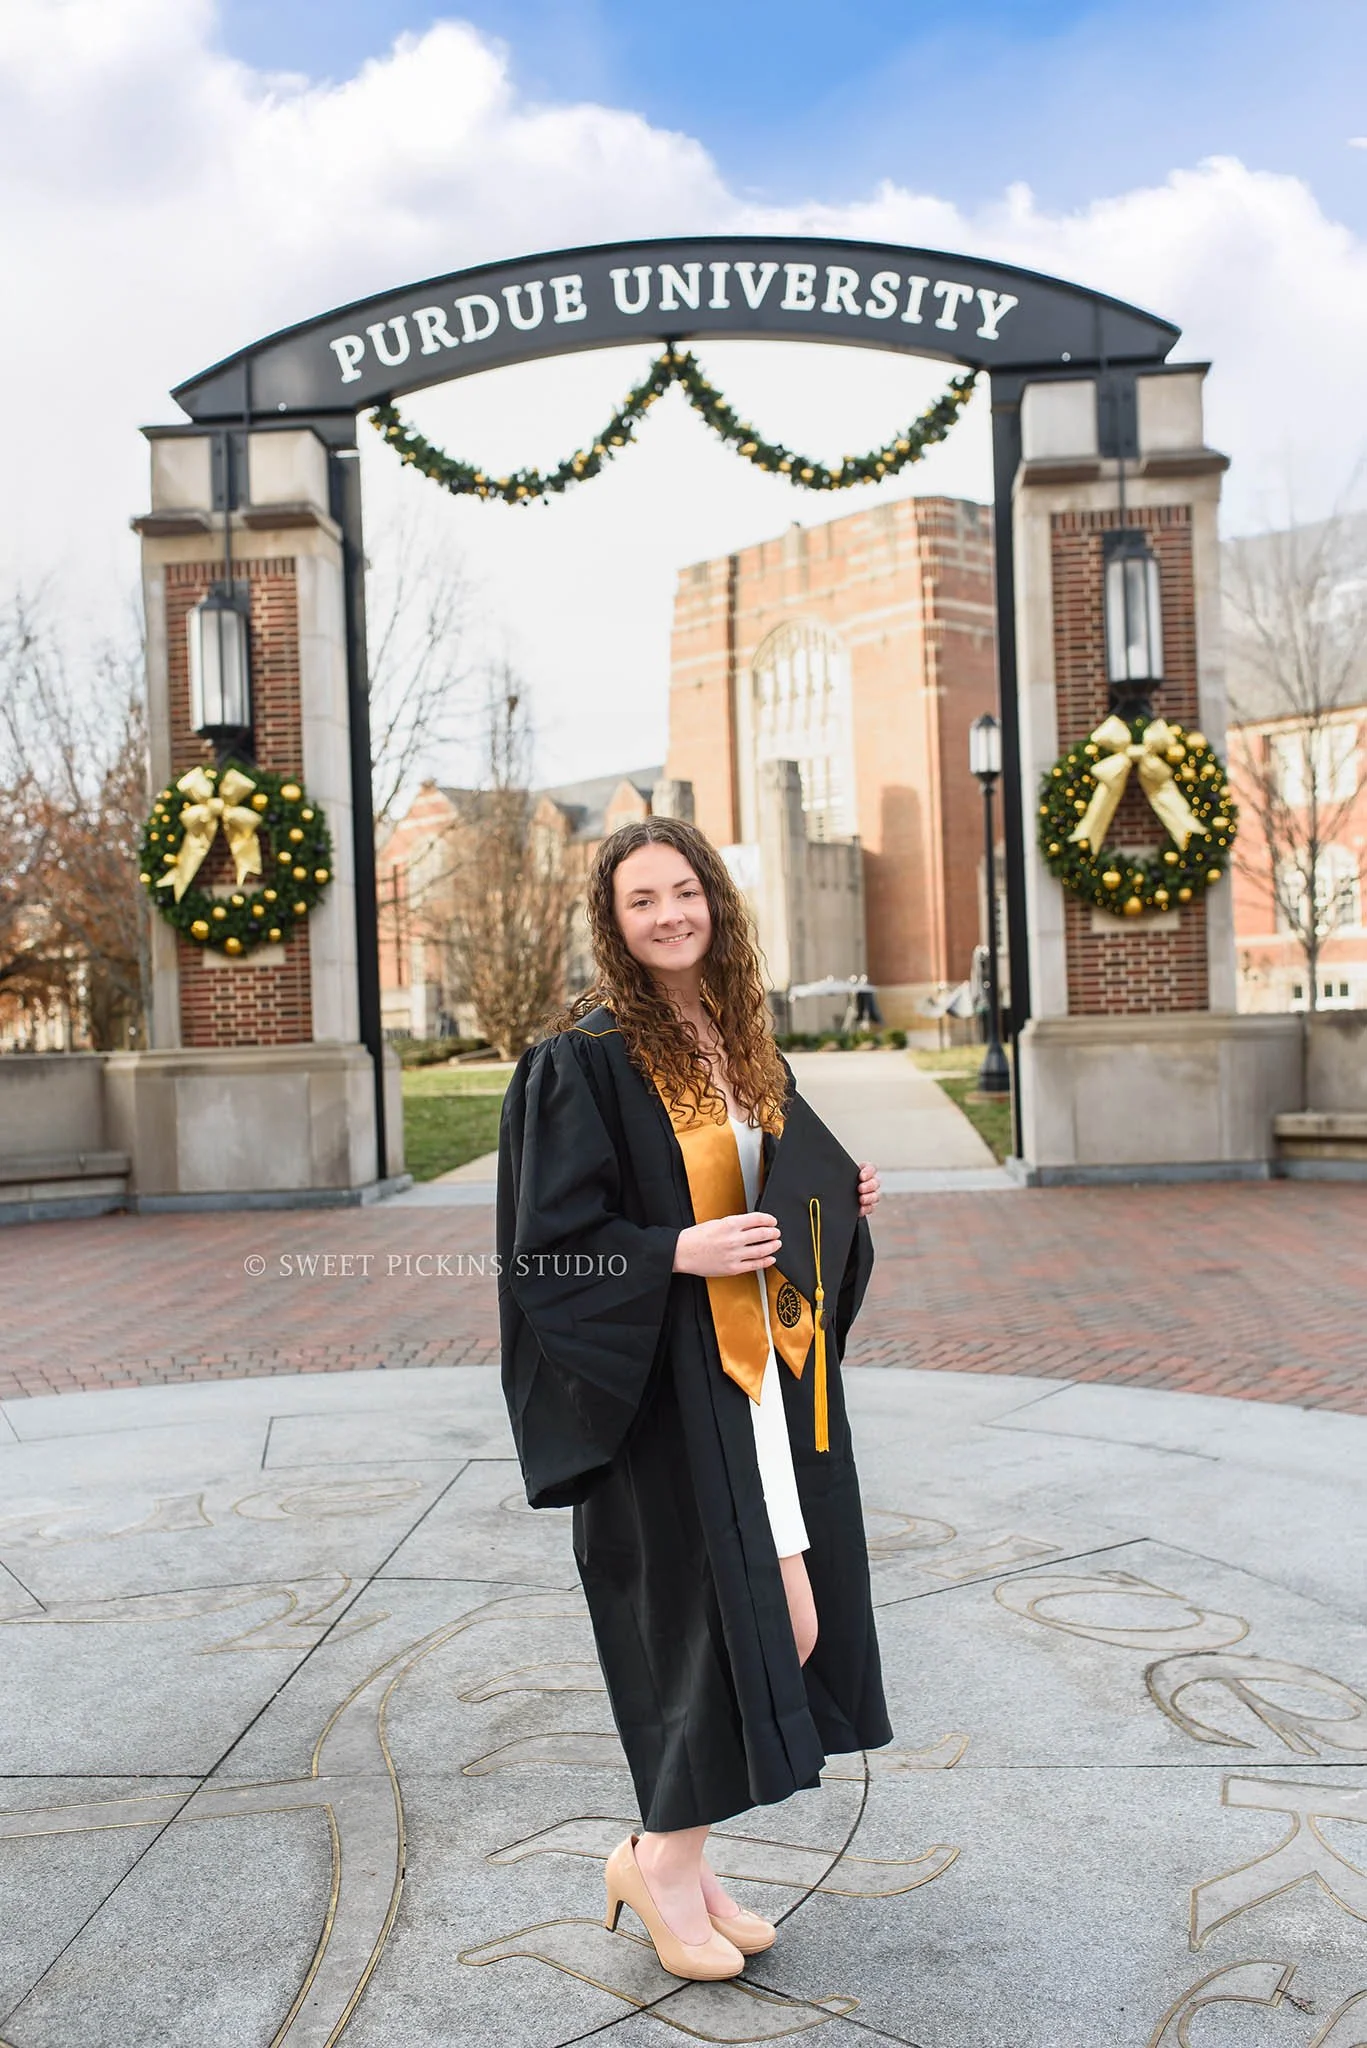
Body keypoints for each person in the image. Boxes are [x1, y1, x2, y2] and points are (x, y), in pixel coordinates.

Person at [497, 815, 891, 1984]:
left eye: (684, 890)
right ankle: (665, 1862)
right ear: (612, 923)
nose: (669, 913)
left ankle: (668, 1854)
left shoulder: (735, 1040)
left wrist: (837, 1197)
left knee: (791, 1620)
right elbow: (545, 1252)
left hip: (756, 1386)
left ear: (713, 898)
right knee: (719, 1630)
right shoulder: (581, 1057)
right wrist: (673, 1251)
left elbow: (778, 1211)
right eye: (640, 900)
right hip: (664, 1396)